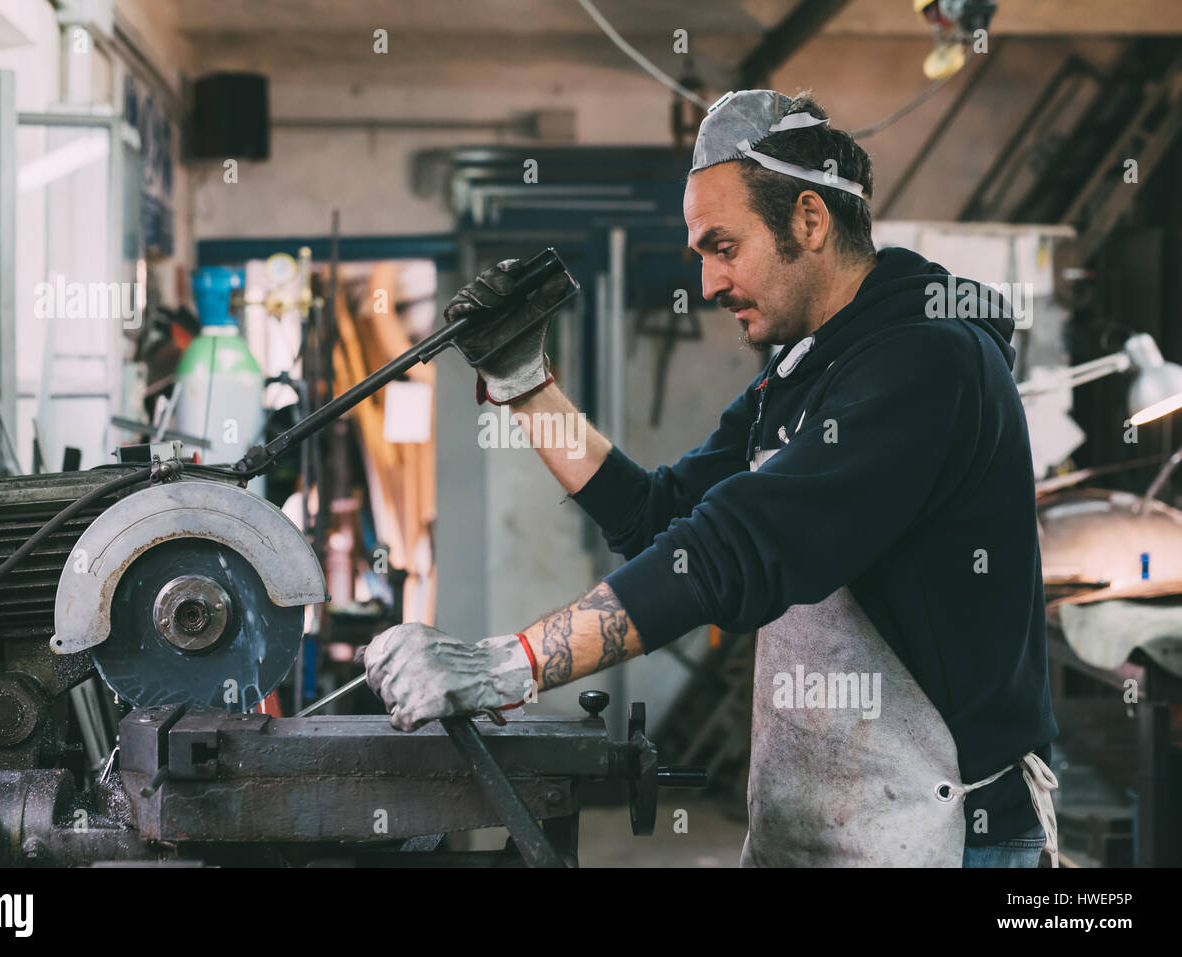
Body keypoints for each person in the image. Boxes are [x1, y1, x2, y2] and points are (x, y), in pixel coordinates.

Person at [364, 89, 1059, 868]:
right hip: (831, 828)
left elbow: (739, 546)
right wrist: (527, 384)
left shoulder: (930, 363)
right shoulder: (798, 373)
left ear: (809, 219)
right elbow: (659, 517)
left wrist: (510, 664)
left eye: (723, 247)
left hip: (950, 831)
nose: (707, 284)